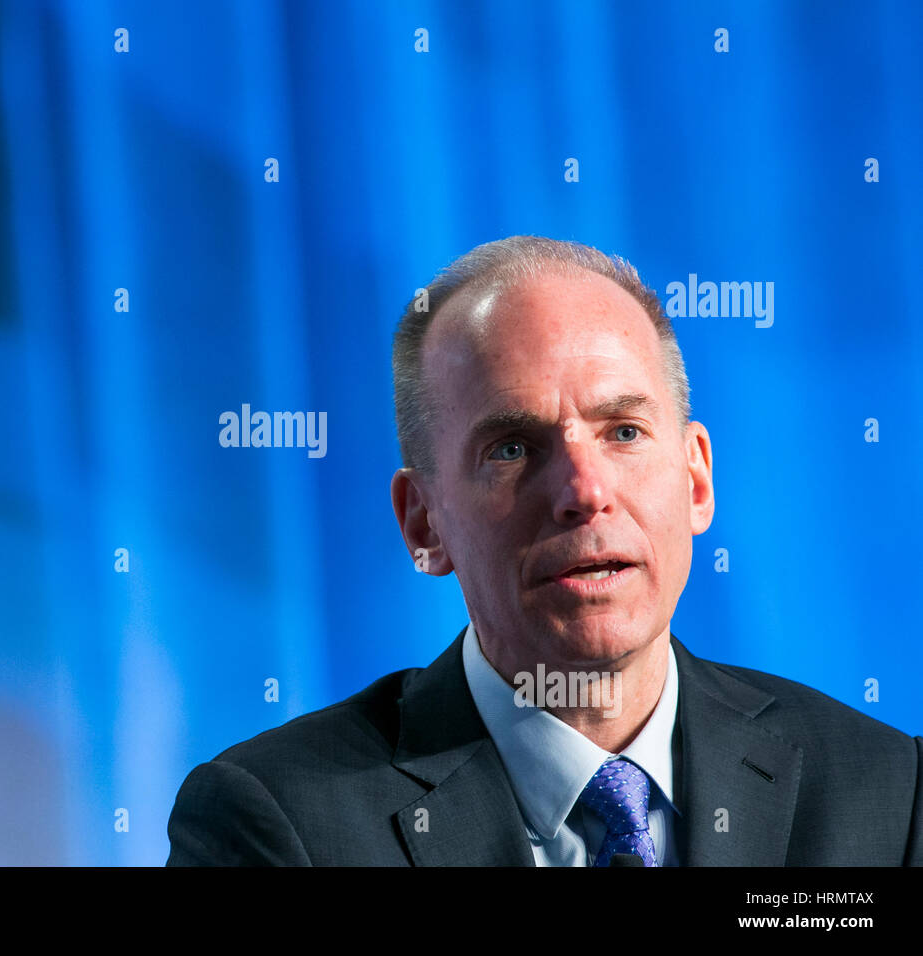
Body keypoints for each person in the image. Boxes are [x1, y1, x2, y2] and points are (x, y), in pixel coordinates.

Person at [166, 236, 923, 866]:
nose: (584, 491)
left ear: (695, 479)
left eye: (623, 431)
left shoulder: (885, 794)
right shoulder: (276, 824)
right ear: (423, 522)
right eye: (513, 447)